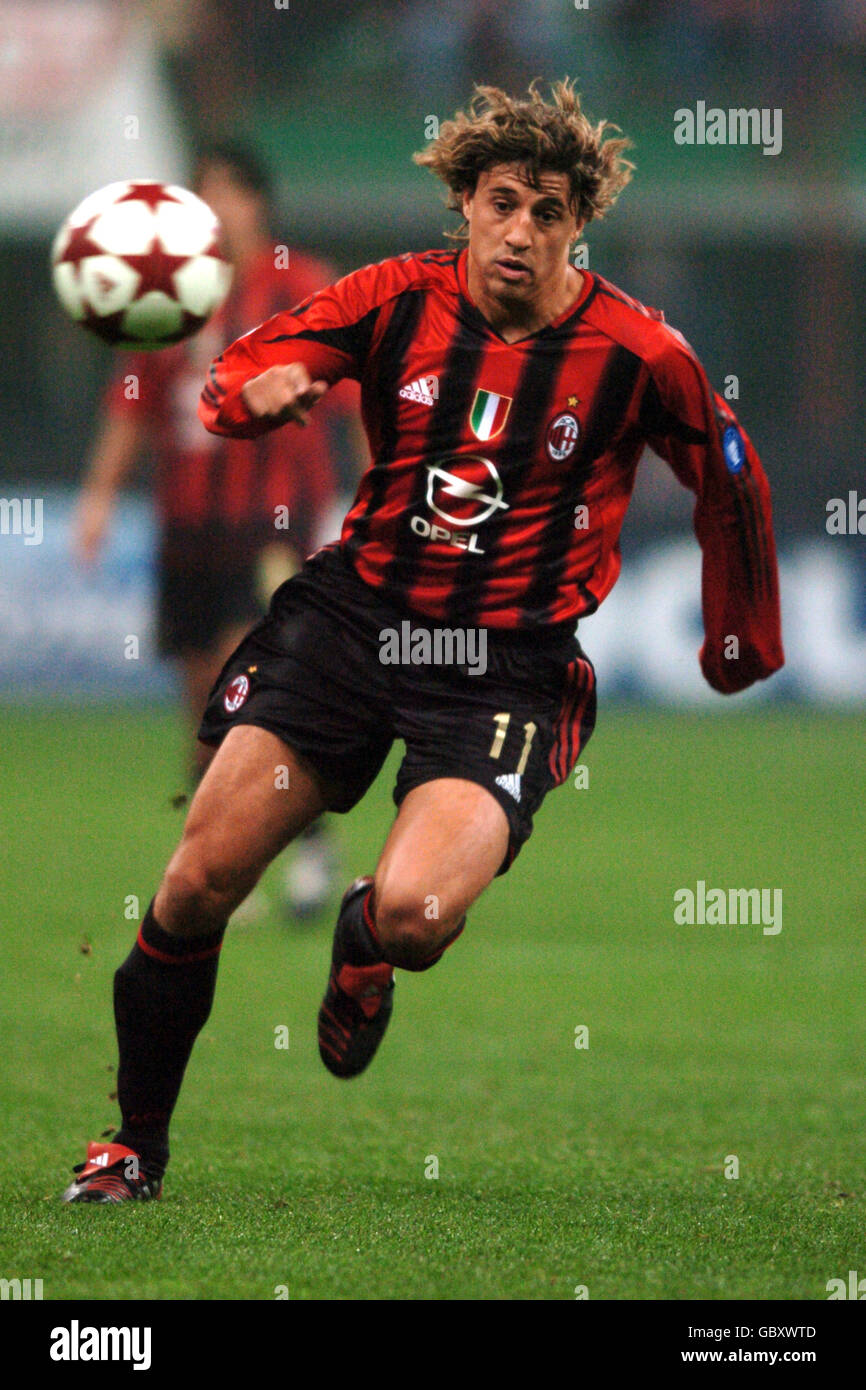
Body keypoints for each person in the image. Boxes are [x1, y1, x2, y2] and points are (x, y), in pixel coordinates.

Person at [62, 81, 783, 1203]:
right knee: (199, 877)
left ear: (576, 224)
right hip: (356, 625)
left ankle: (361, 934)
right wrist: (256, 396)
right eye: (501, 203)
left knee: (416, 915)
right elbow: (244, 364)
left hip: (503, 669)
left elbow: (729, 473)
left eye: (548, 212)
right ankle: (131, 1147)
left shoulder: (637, 353)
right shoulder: (392, 297)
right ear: (463, 202)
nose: (520, 232)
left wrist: (738, 634)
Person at [71, 142, 360, 919]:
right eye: (204, 193)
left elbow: (356, 398)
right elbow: (130, 403)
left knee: (253, 680)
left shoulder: (304, 288)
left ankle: (308, 847)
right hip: (185, 524)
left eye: (230, 191)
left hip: (271, 521)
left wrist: (380, 487)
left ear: (259, 203)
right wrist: (97, 499)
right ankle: (221, 862)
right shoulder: (163, 292)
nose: (218, 207)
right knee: (204, 704)